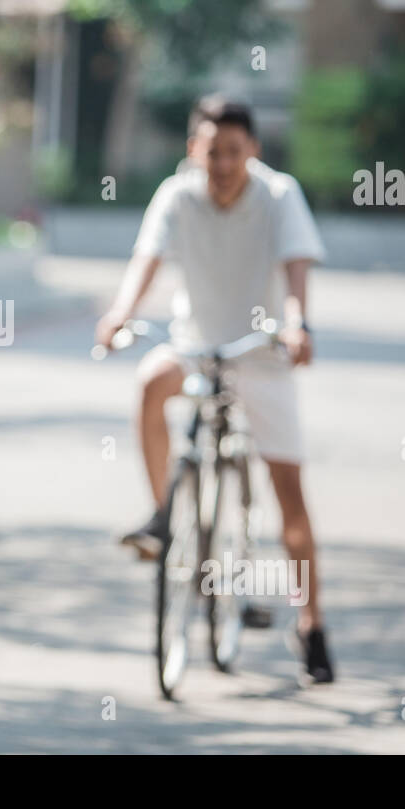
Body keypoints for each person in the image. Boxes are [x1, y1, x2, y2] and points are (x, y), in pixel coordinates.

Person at [94, 95, 335, 685]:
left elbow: (298, 268)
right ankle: (164, 517)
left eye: (233, 152)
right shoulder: (177, 195)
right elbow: (145, 261)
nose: (222, 164)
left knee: (291, 501)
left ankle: (311, 623)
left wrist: (298, 324)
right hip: (197, 346)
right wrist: (120, 314)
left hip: (260, 353)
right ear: (193, 150)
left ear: (252, 150)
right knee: (151, 380)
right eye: (211, 152)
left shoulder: (279, 196)